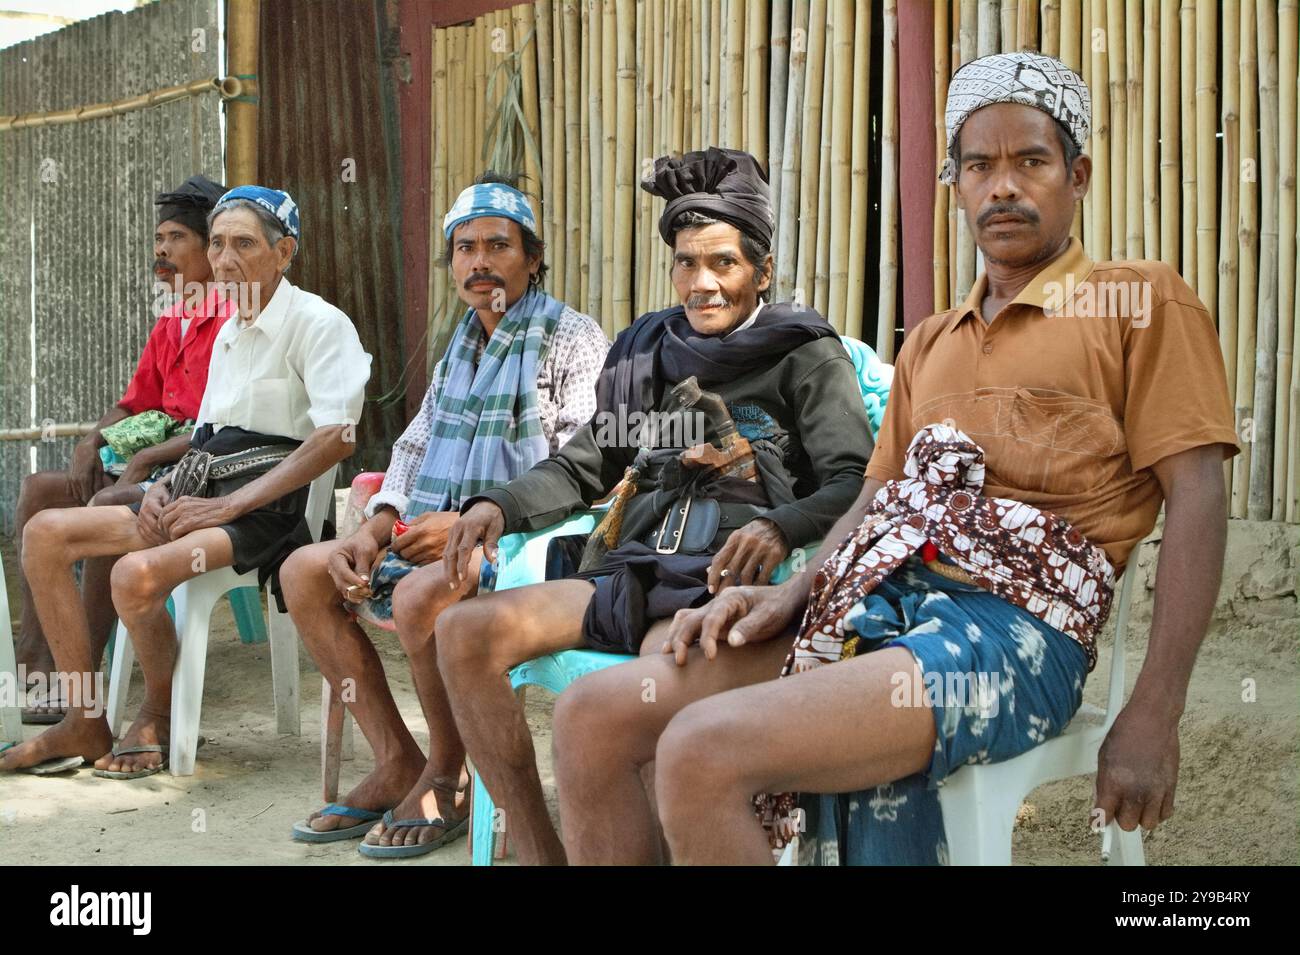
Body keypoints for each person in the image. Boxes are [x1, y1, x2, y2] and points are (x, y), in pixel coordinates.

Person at [552, 51, 1241, 865]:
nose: (1003, 186)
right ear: (954, 183)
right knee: (590, 716)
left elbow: (1198, 491)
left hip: (1013, 630)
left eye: (1031, 161)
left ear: (1078, 174)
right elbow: (876, 500)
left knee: (701, 748)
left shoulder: (1139, 303)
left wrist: (1157, 708)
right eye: (978, 166)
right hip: (873, 603)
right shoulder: (931, 345)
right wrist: (792, 594)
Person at [437, 147, 874, 864]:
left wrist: (777, 522)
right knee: (464, 634)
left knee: (636, 693)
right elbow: (592, 460)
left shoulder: (803, 353)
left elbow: (854, 477)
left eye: (723, 264)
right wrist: (499, 505)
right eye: (685, 263)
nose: (701, 284)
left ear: (761, 272)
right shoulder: (651, 348)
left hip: (715, 577)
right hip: (635, 561)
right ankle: (542, 852)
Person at [282, 173, 609, 857]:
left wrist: (473, 518)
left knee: (420, 591)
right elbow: (417, 442)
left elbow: (591, 467)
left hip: (531, 536)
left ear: (533, 258)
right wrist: (378, 523)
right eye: (464, 248)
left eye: (498, 245)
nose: (480, 261)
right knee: (305, 571)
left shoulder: (571, 336)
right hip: (436, 528)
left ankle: (449, 768)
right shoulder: (462, 343)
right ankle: (397, 755)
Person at [1, 186, 372, 779]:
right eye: (219, 244)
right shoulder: (229, 331)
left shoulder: (318, 324)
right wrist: (164, 493)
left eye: (244, 244)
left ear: (285, 252)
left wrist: (230, 509)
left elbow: (338, 437)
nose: (225, 260)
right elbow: (205, 436)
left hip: (269, 514)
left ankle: (160, 712)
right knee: (45, 531)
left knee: (134, 574)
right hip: (203, 494)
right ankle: (85, 719)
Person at [13, 175, 232, 723]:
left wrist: (144, 458)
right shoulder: (173, 318)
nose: (162, 251)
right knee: (39, 491)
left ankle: (80, 677)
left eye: (176, 238)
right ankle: (35, 668)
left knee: (108, 503)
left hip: (196, 469)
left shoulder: (232, 318)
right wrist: (93, 439)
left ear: (211, 248)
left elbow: (221, 426)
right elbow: (135, 403)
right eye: (159, 239)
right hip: (150, 459)